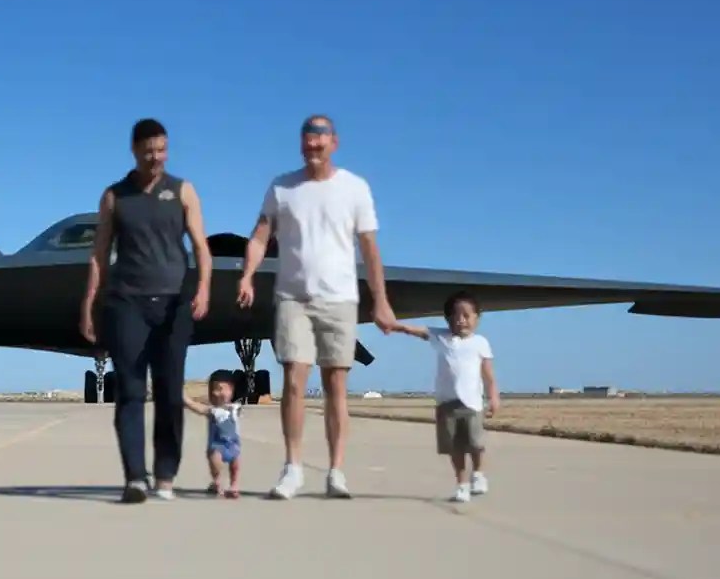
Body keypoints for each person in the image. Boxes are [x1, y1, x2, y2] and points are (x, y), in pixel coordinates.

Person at [237, 114, 395, 500]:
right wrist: (247, 274)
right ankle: (292, 468)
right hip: (293, 297)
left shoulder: (355, 188)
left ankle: (336, 471)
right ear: (301, 145)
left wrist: (381, 301)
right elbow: (260, 235)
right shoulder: (282, 187)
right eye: (308, 143)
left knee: (335, 385)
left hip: (339, 299)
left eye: (320, 142)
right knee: (293, 380)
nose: (313, 149)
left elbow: (370, 249)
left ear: (334, 144)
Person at [79, 118, 213, 504]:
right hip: (127, 303)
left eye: (162, 150)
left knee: (171, 391)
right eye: (148, 150)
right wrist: (89, 303)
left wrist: (203, 288)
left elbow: (201, 246)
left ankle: (166, 475)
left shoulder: (183, 191)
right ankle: (136, 477)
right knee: (131, 391)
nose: (156, 157)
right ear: (134, 151)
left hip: (174, 302)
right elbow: (99, 255)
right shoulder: (114, 196)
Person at [391, 291, 500, 502]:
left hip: (473, 404)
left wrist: (493, 397)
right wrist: (394, 325)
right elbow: (416, 330)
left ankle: (478, 474)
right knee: (454, 448)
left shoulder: (480, 343)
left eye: (466, 315)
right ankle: (462, 484)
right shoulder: (441, 337)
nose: (461, 320)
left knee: (476, 443)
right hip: (446, 403)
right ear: (447, 319)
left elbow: (488, 376)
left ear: (477, 318)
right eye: (455, 315)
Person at [183, 370, 245, 498]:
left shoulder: (235, 408)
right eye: (213, 389)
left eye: (221, 389)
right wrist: (185, 399)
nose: (216, 393)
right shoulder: (212, 411)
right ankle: (217, 481)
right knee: (215, 463)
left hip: (233, 444)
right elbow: (197, 407)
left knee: (235, 466)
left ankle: (234, 484)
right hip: (217, 445)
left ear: (231, 390)